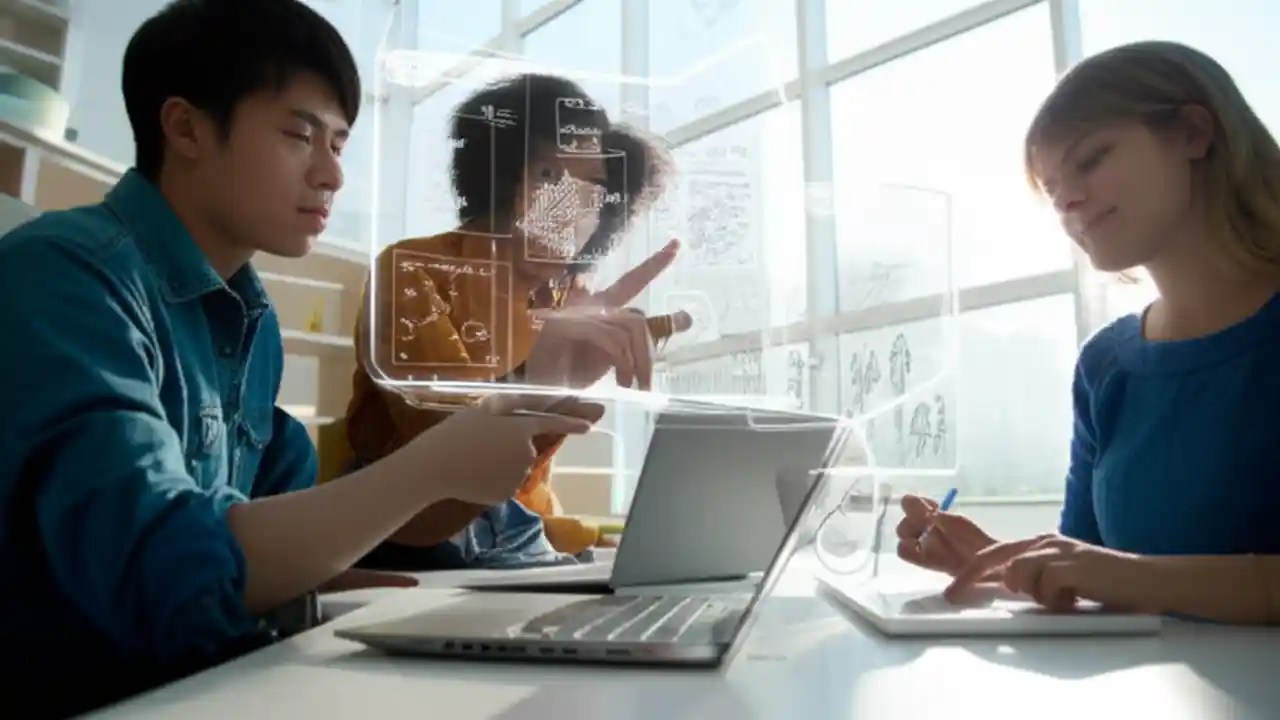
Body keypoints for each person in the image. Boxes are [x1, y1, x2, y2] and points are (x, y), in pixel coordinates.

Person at [0, 2, 635, 715]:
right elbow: (161, 568)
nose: (333, 175)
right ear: (184, 128)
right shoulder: (60, 274)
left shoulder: (249, 318)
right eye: (301, 136)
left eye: (339, 144)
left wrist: (331, 586)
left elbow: (281, 522)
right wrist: (453, 450)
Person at [895, 40, 1280, 624]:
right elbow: (1098, 574)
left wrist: (1124, 574)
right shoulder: (1106, 366)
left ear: (1194, 134)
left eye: (1093, 159)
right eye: (1051, 191)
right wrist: (1000, 562)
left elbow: (1124, 575)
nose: (1068, 200)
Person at [344, 73, 680, 570]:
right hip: (409, 534)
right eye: (549, 176)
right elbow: (440, 461)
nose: (571, 206)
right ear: (497, 178)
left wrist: (581, 542)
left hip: (519, 537)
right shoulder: (414, 269)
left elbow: (529, 490)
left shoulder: (570, 298)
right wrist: (537, 385)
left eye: (594, 187)